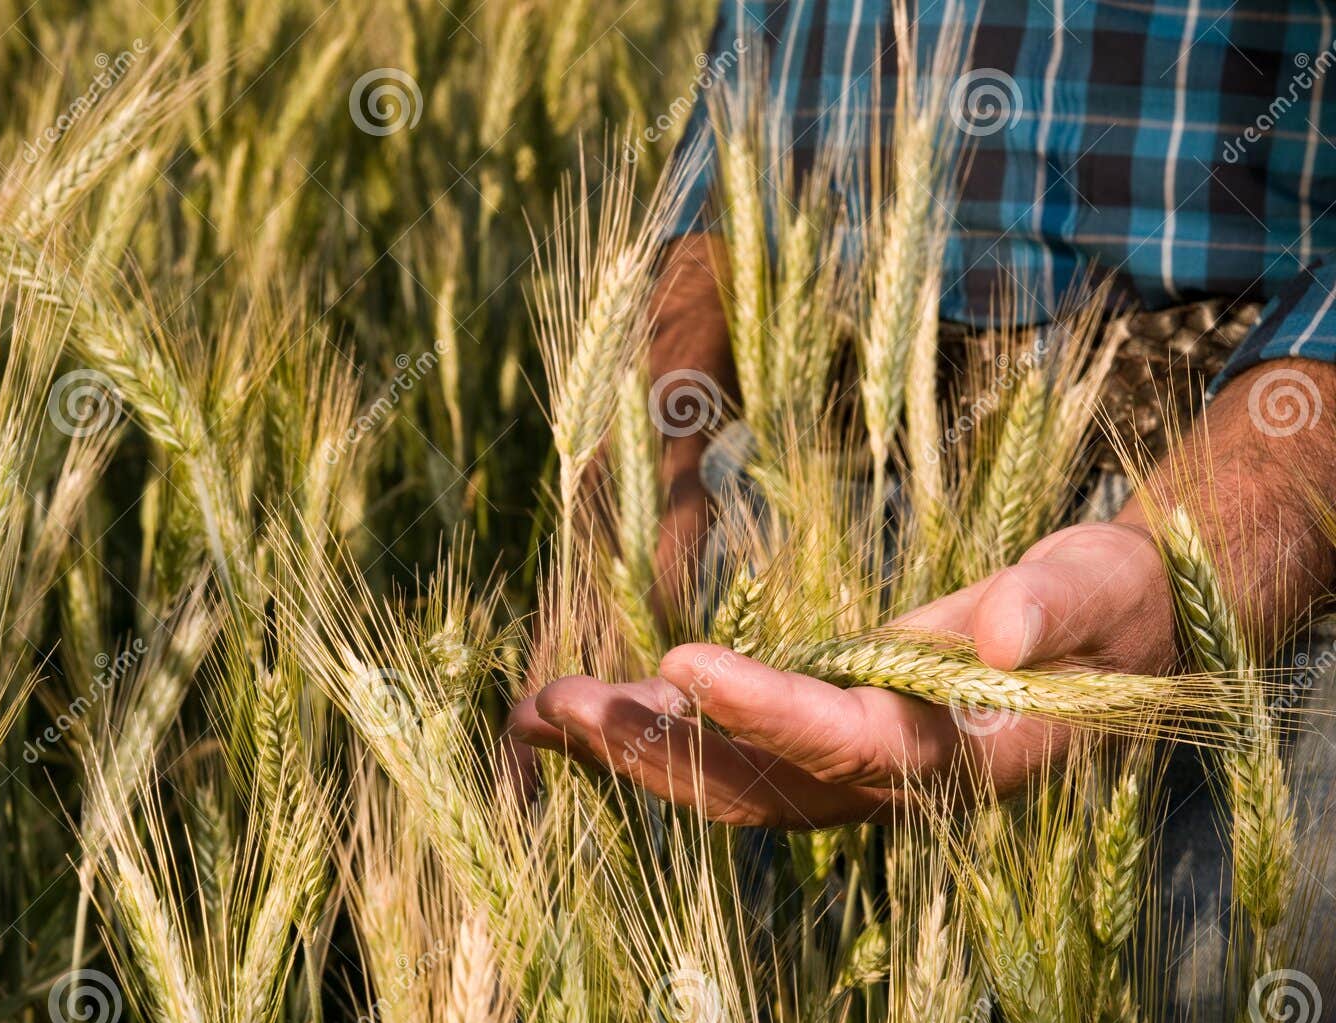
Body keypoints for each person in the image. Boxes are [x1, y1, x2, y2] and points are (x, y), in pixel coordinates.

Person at [509, 0, 1336, 834]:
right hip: (784, 511)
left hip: (1224, 528)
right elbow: (744, 96)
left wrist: (1208, 545)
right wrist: (636, 496)